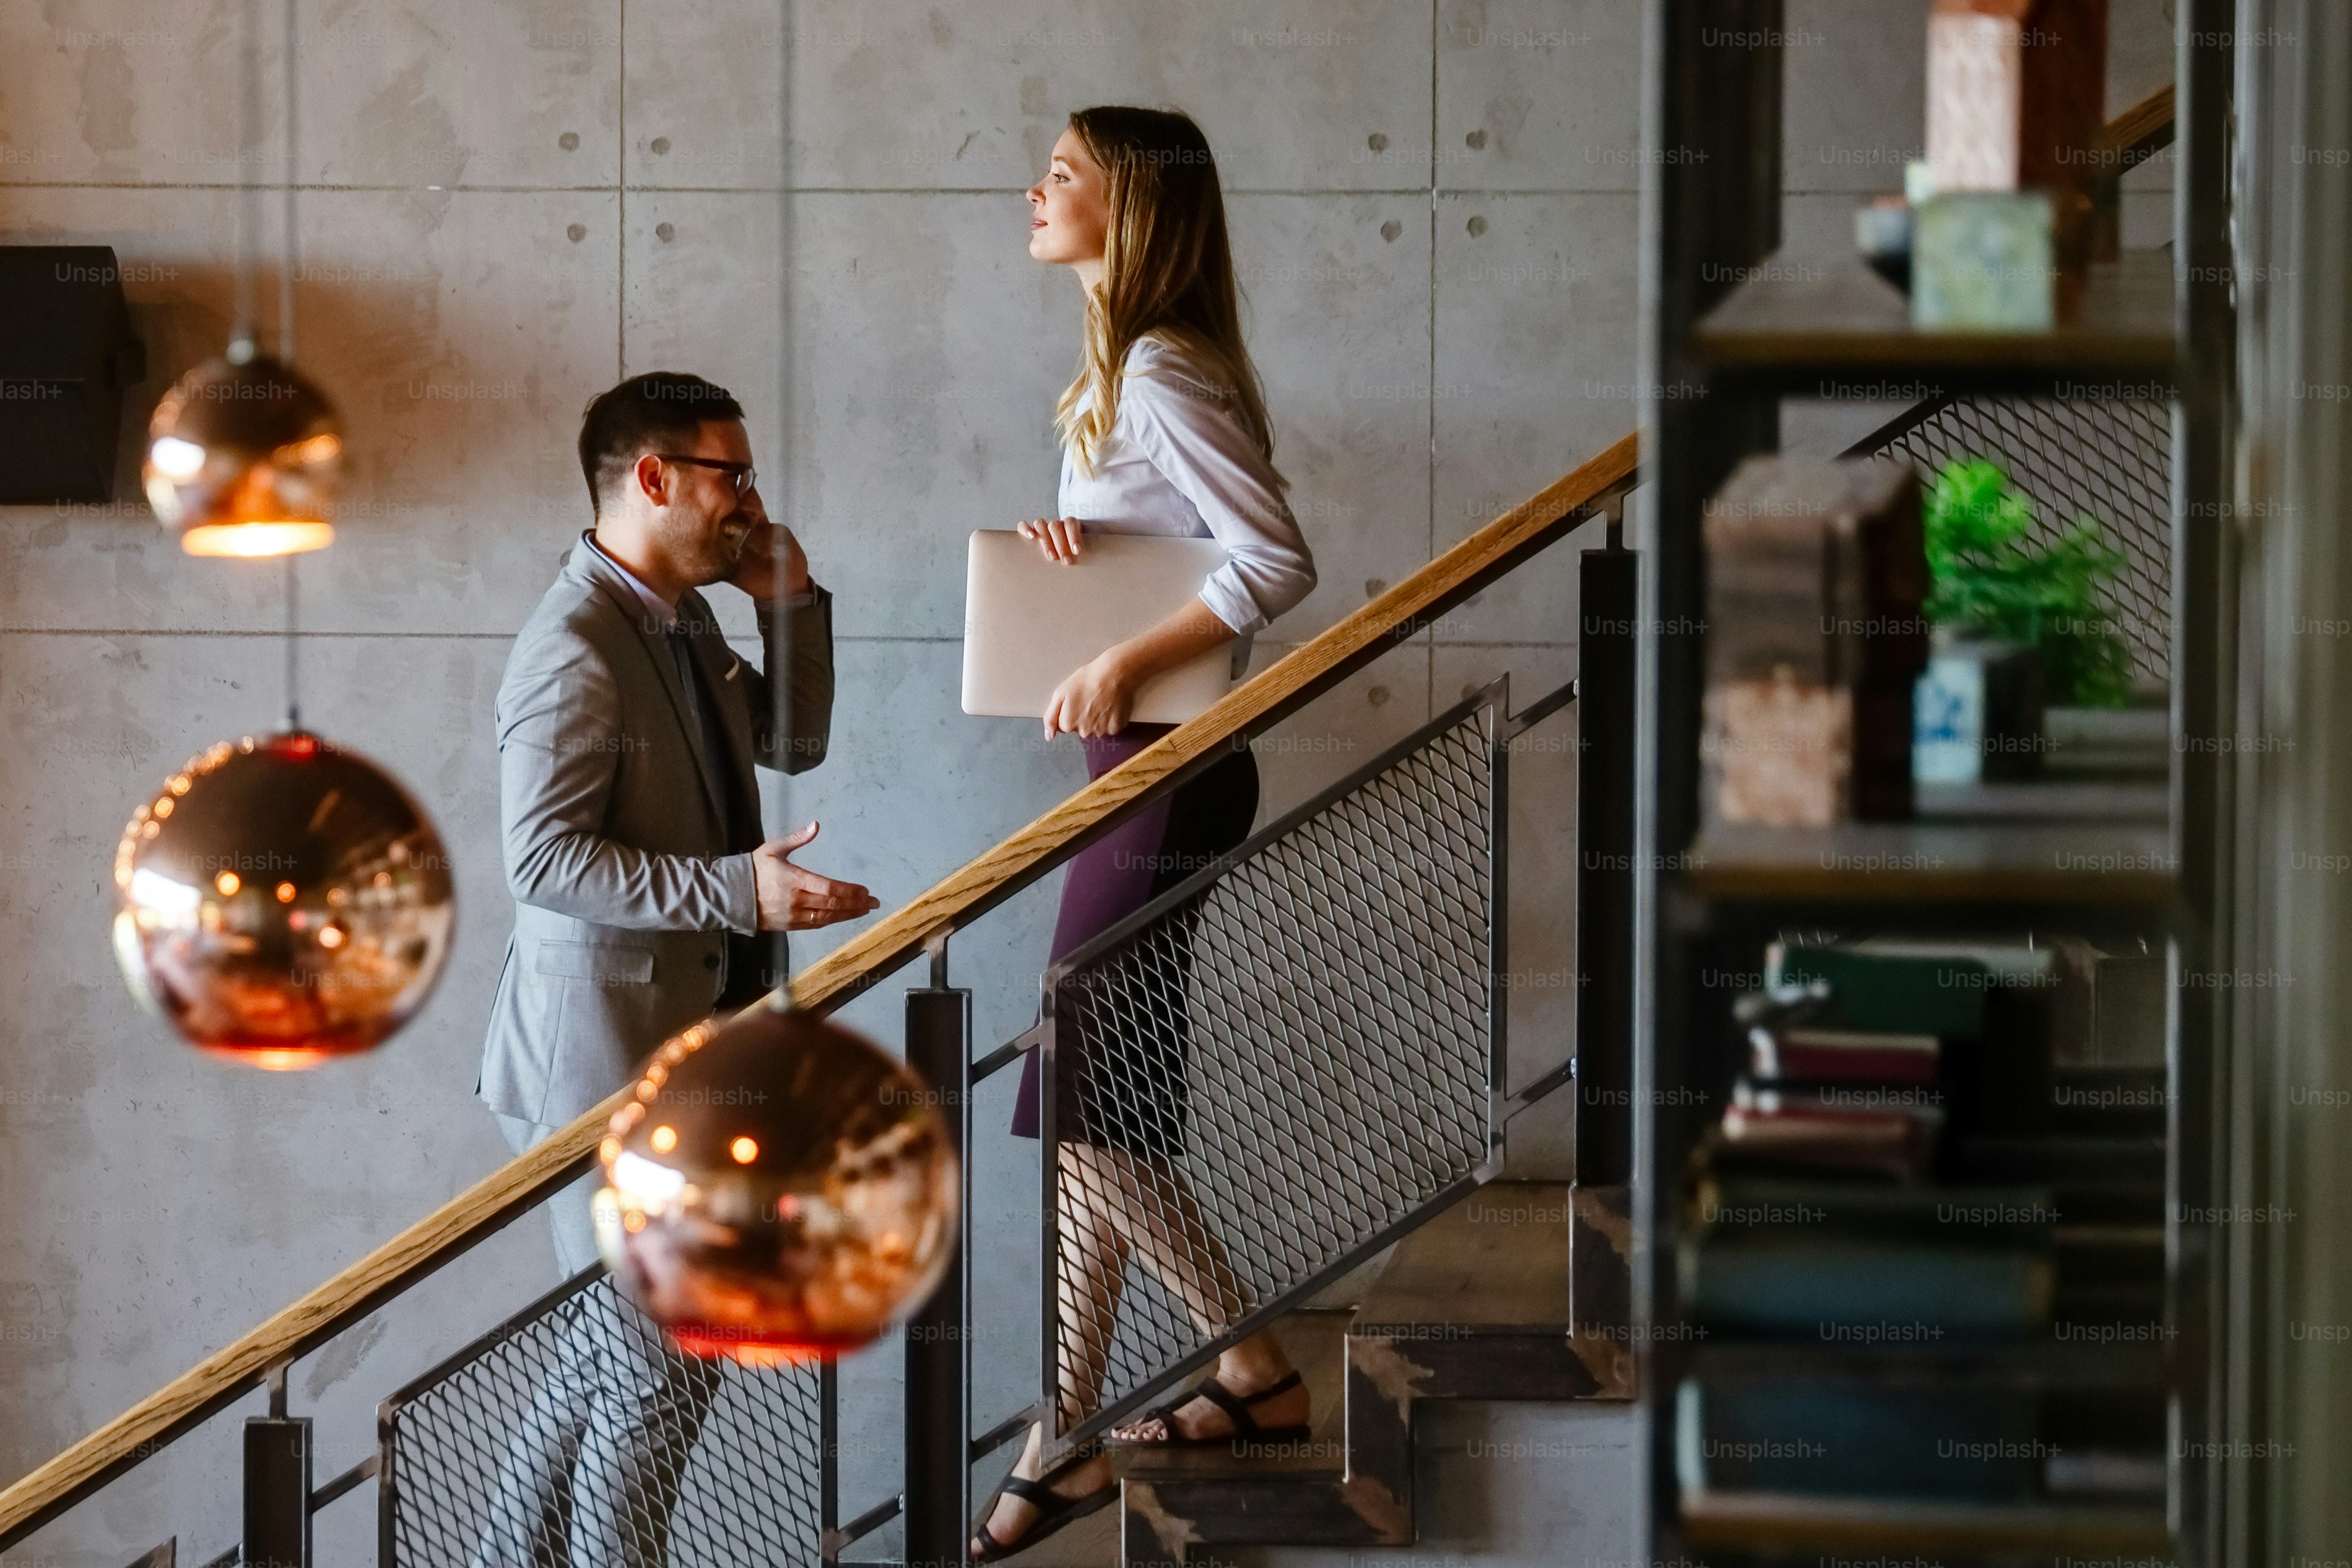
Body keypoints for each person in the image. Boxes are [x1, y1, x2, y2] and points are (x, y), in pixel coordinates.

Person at [973, 106, 1320, 1562]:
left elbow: (1275, 560)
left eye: (1063, 173)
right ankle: (1062, 1436)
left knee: (1075, 1087)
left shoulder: (1163, 363)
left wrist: (1122, 658)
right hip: (1139, 763)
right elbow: (1190, 546)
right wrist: (1096, 564)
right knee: (1091, 1104)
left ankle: (1249, 1365)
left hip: (1167, 761)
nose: (1034, 188)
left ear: (1132, 205)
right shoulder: (1122, 368)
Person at [474, 371, 880, 1566]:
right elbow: (540, 858)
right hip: (595, 1069)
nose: (752, 502)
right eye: (732, 476)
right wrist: (732, 890)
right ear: (655, 479)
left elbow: (791, 740)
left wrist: (791, 601)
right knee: (659, 1371)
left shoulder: (682, 617)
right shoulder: (572, 645)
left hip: (683, 1060)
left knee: (610, 1361)